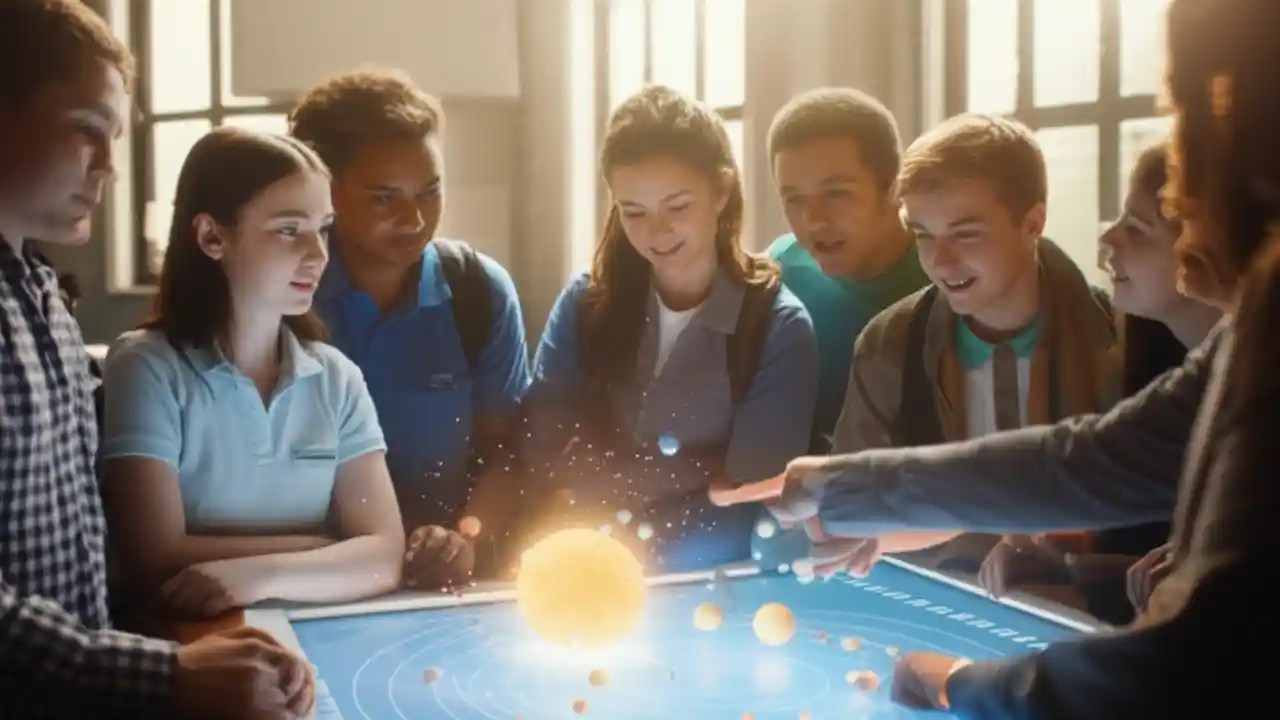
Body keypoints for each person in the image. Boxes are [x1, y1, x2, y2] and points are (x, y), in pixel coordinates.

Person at [729, 0, 1280, 714]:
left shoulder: (1133, 328)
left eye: (1200, 118)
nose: (1188, 175)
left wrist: (962, 684)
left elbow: (1189, 662)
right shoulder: (1258, 314)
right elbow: (1103, 457)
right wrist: (844, 488)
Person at [0, 2, 312, 717]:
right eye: (87, 131)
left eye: (116, 138)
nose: (111, 167)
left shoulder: (42, 294)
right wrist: (168, 673)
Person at [758, 114, 1122, 588]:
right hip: (942, 592)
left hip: (1085, 596)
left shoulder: (1118, 337)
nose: (941, 261)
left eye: (966, 233)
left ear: (1033, 222)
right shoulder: (888, 343)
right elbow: (863, 510)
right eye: (924, 235)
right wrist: (863, 533)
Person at [100, 127, 405, 620]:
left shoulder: (337, 379)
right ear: (211, 237)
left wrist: (260, 575)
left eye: (322, 227)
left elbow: (384, 557)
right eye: (290, 229)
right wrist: (323, 548)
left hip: (311, 640)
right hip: (186, 649)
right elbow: (152, 558)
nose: (319, 253)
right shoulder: (146, 367)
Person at [523, 85, 819, 573]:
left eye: (676, 207)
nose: (655, 233)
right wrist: (701, 465)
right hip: (578, 553)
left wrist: (607, 491)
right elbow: (544, 442)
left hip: (706, 569)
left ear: (721, 191)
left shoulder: (776, 326)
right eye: (633, 212)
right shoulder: (586, 300)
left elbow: (746, 490)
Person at [289, 68, 531, 586]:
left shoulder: (478, 294)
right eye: (384, 198)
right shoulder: (280, 299)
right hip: (311, 577)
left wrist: (464, 538)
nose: (415, 219)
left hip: (445, 582)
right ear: (323, 192)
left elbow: (509, 453)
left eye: (430, 192)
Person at [985, 141, 1223, 623]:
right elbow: (1149, 555)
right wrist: (1064, 551)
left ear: (1210, 250)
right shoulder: (1155, 355)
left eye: (1137, 229)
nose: (1107, 240)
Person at [765, 87, 930, 453]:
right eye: (794, 199)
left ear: (894, 188)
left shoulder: (948, 280)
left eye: (837, 194)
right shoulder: (780, 274)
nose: (813, 221)